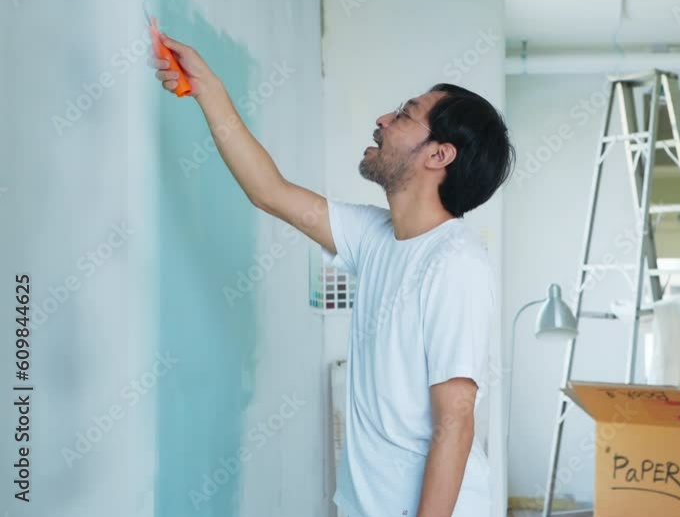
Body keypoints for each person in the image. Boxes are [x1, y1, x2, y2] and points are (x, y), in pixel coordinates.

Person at [150, 34, 514, 516]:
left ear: (438, 155)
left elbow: (457, 419)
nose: (383, 121)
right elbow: (269, 191)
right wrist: (207, 88)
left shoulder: (455, 263)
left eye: (404, 115)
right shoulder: (376, 236)